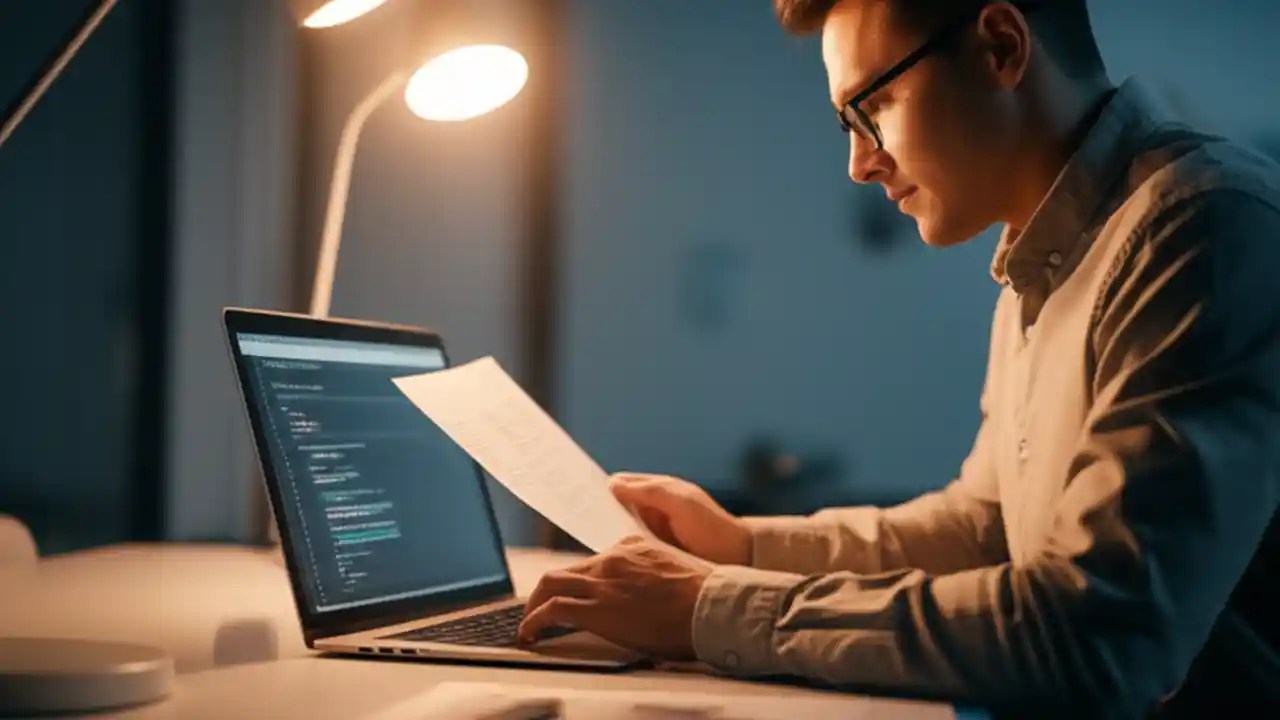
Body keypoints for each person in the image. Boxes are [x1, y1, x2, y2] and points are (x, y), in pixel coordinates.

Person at [516, 1, 1280, 716]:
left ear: (1000, 47)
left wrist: (709, 607)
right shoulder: (1044, 260)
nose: (859, 162)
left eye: (870, 107)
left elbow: (1103, 636)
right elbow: (985, 528)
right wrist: (741, 545)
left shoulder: (1204, 229)